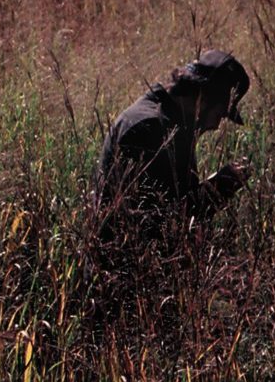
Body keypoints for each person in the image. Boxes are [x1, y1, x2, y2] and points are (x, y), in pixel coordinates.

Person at [94, 49, 252, 244]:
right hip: (125, 269)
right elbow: (160, 223)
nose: (216, 125)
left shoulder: (170, 119)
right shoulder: (151, 129)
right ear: (203, 100)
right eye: (220, 113)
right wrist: (219, 187)